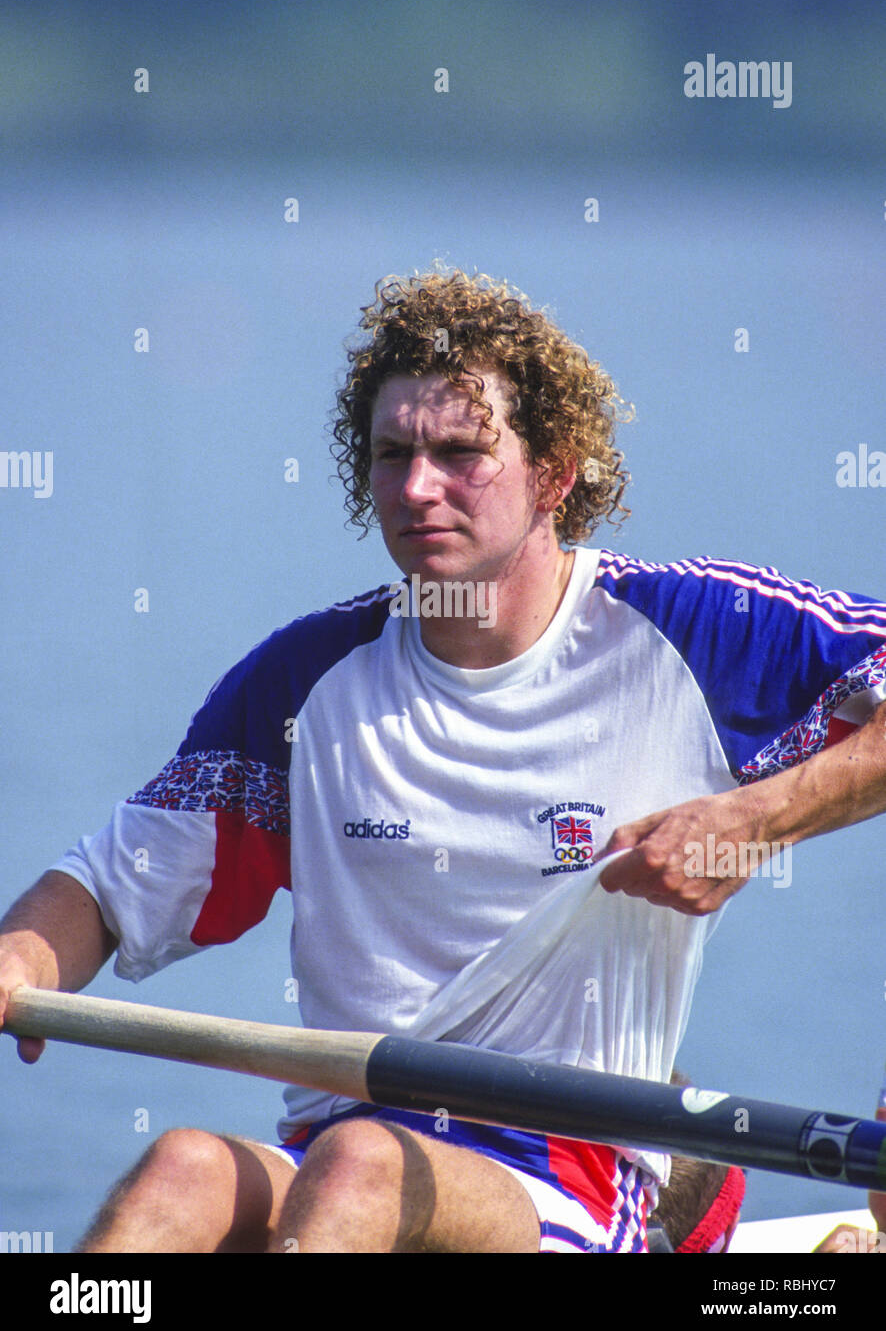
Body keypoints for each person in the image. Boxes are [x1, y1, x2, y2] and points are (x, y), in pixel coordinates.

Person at [2, 269, 885, 1254]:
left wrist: (754, 820)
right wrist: (21, 960)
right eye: (393, 454)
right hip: (337, 1150)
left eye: (460, 453)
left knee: (360, 1169)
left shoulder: (689, 634)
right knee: (184, 1168)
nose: (418, 486)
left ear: (555, 471)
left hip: (572, 1173)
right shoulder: (305, 685)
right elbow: (103, 890)